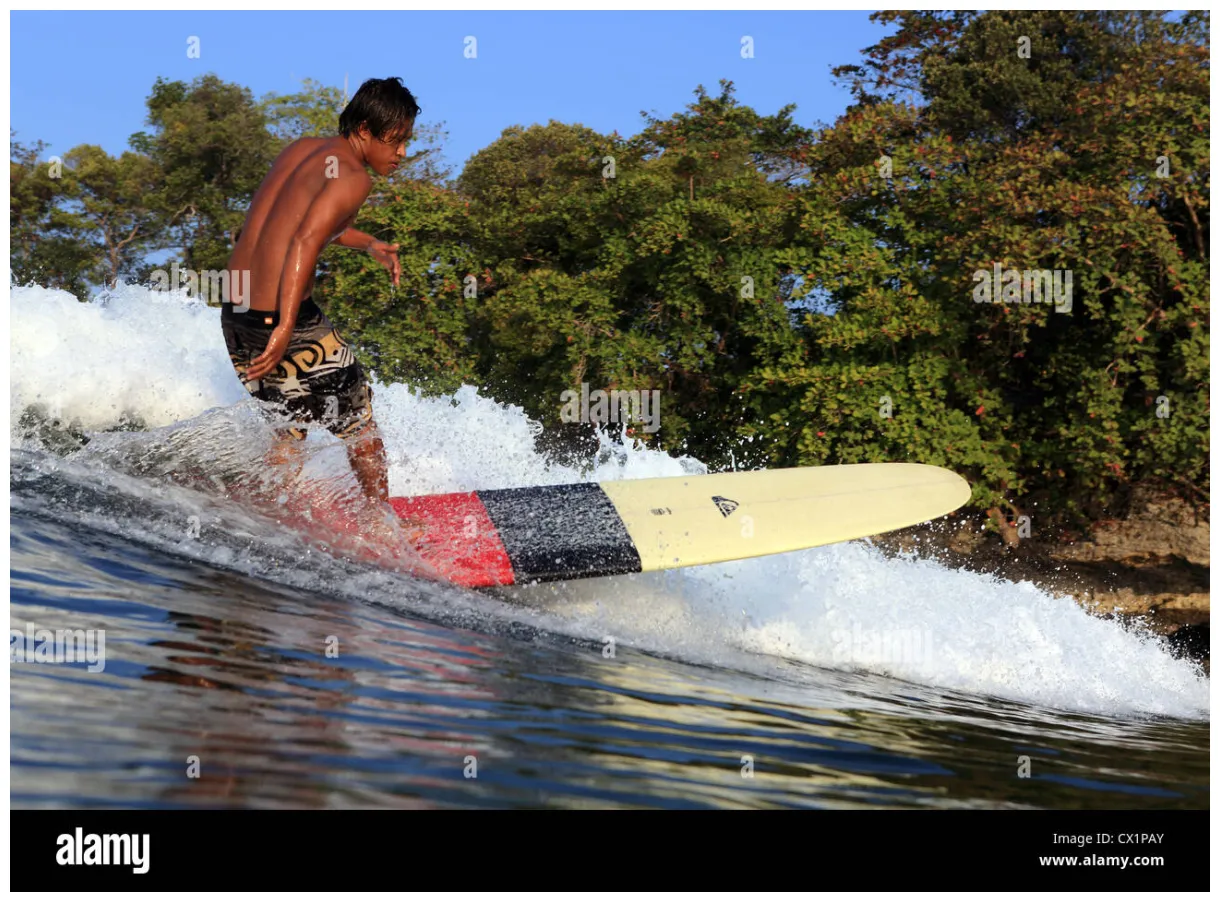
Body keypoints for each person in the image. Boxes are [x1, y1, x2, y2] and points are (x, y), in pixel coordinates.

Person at [222, 77, 419, 504]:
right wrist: (286, 325)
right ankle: (380, 525)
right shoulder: (354, 177)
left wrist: (368, 243)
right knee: (359, 422)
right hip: (280, 317)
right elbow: (305, 242)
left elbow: (290, 224)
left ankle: (257, 510)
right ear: (365, 129)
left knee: (290, 422)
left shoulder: (301, 149)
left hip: (236, 309)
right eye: (396, 141)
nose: (402, 153)